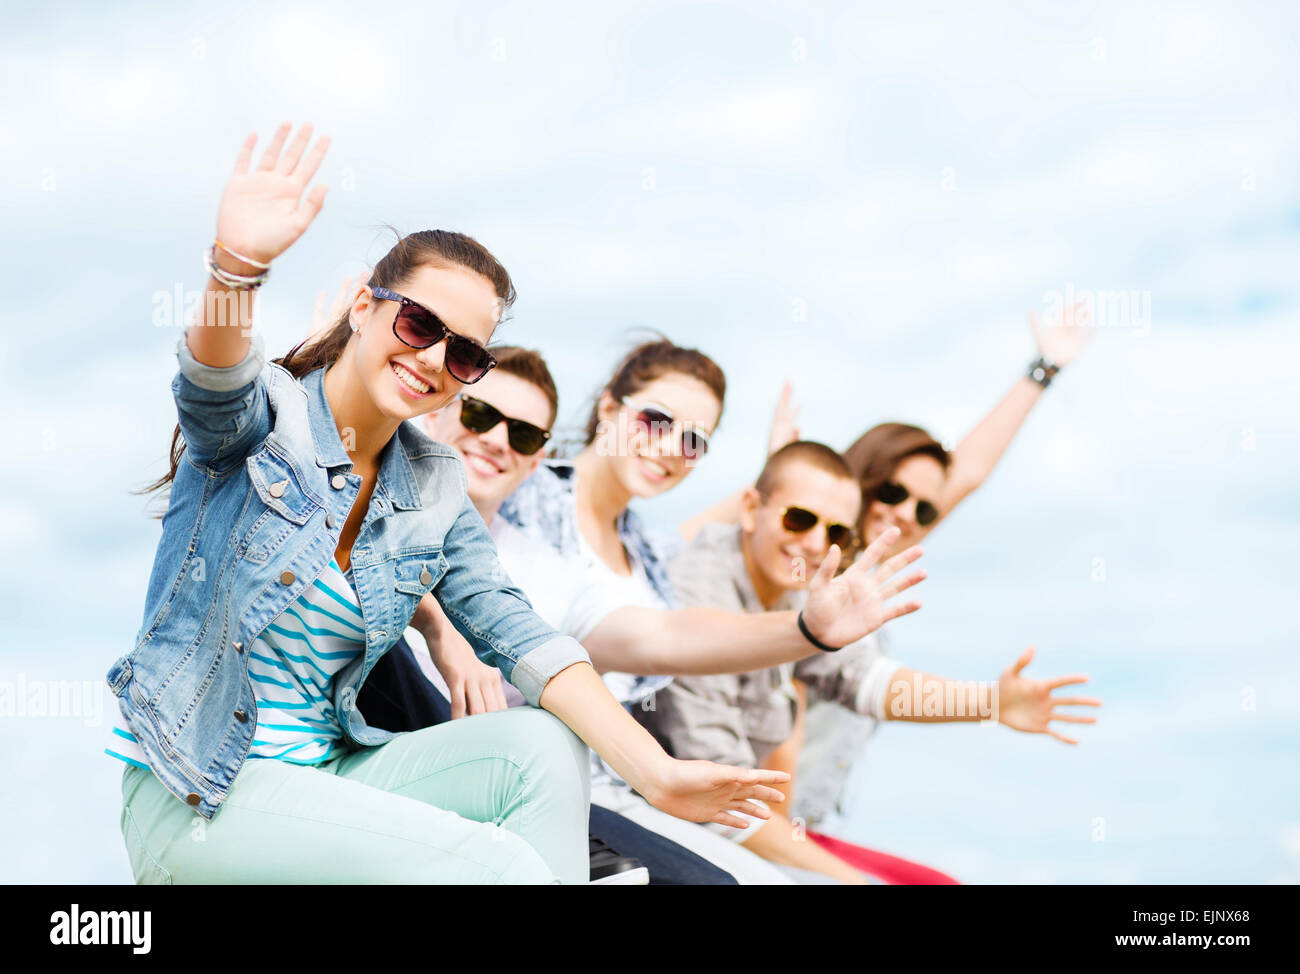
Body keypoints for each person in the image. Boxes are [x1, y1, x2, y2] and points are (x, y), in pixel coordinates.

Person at [104, 122, 788, 885]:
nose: (432, 359)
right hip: (202, 795)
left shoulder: (430, 484)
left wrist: (657, 773)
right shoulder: (267, 423)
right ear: (363, 307)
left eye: (462, 351)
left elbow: (518, 632)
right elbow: (213, 382)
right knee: (497, 869)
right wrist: (236, 268)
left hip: (329, 779)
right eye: (418, 323)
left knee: (541, 745)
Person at [358, 344, 926, 883]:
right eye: (480, 413)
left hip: (590, 774)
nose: (499, 441)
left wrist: (806, 629)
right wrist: (435, 624)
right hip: (470, 745)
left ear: (537, 455)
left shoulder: (624, 559)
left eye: (693, 441)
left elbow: (667, 632)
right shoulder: (510, 501)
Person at [678, 308, 1097, 862]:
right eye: (891, 493)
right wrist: (772, 471)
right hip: (759, 825)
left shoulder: (863, 580)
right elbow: (683, 554)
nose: (904, 515)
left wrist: (1042, 371)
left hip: (794, 825)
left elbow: (963, 475)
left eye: (923, 509)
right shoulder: (798, 579)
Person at [638, 441, 1101, 883]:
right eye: (799, 519)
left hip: (734, 819)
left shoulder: (799, 585)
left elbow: (866, 680)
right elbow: (724, 802)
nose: (816, 542)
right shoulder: (699, 589)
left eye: (836, 532)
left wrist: (988, 703)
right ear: (750, 510)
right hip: (650, 813)